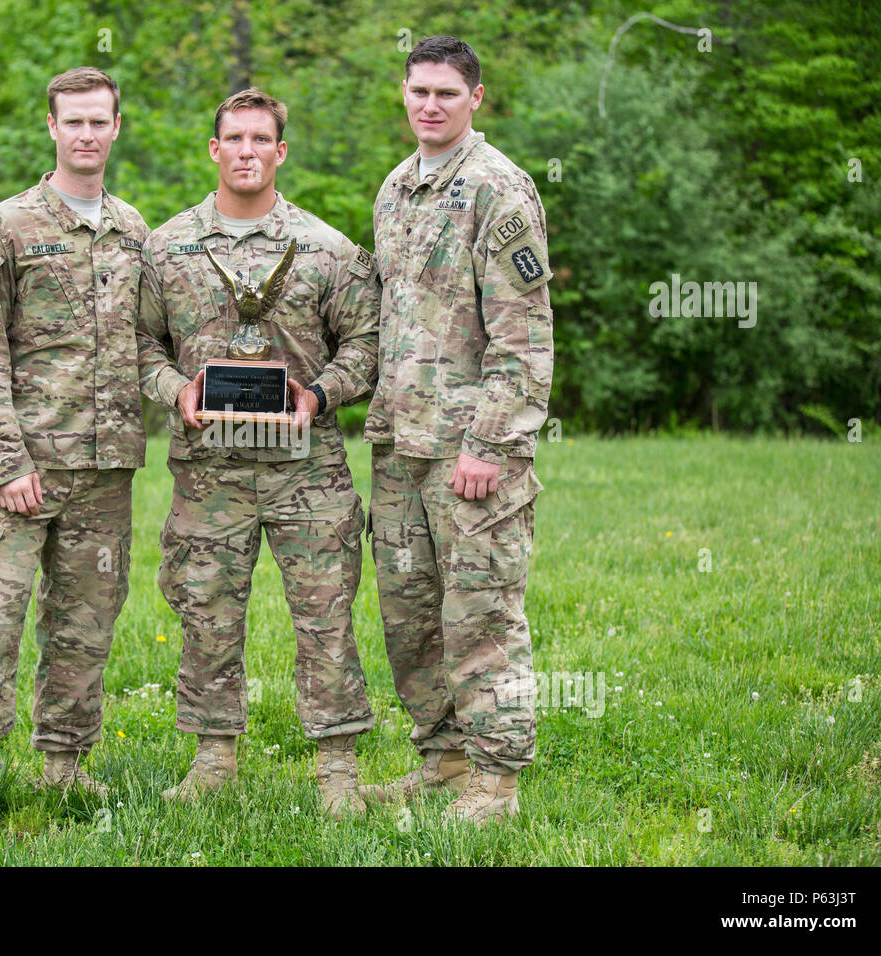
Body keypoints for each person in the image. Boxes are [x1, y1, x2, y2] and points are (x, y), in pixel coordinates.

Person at [136, 88, 380, 818]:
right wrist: (175, 388)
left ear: (281, 151)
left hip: (308, 472)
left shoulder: (329, 250)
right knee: (206, 612)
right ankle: (213, 758)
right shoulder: (167, 246)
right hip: (210, 474)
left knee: (326, 618)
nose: (246, 151)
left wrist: (321, 394)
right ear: (214, 150)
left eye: (260, 139)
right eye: (233, 139)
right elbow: (139, 344)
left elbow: (366, 345)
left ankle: (337, 767)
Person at [0, 67, 149, 842]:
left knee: (86, 628)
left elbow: (150, 343)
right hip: (21, 471)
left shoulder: (133, 230)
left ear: (116, 128)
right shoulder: (6, 227)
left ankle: (64, 763)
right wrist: (3, 463)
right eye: (74, 122)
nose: (87, 134)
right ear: (51, 128)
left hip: (105, 470)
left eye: (100, 121)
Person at [360, 35, 554, 824]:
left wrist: (489, 443)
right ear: (403, 96)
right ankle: (441, 761)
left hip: (471, 453)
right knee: (410, 618)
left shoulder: (498, 191)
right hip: (402, 447)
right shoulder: (396, 189)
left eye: (446, 92)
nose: (429, 105)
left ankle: (497, 782)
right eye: (418, 91)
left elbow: (525, 336)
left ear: (475, 98)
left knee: (481, 616)